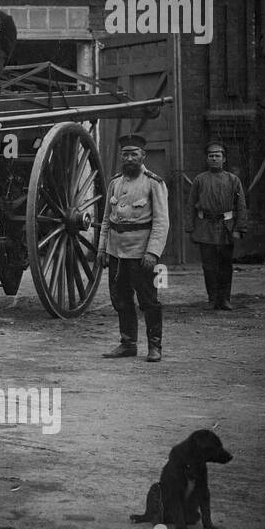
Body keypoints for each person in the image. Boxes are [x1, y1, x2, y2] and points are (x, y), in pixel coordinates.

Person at [98, 133, 170, 363]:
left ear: (143, 156)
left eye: (134, 154)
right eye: (125, 154)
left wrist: (153, 252)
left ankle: (154, 346)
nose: (129, 158)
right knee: (120, 299)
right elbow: (107, 220)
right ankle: (128, 343)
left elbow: (161, 221)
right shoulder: (115, 183)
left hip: (141, 253)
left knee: (149, 300)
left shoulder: (153, 183)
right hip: (116, 251)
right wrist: (102, 249)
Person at [186, 141, 249, 310]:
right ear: (207, 159)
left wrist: (239, 228)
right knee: (208, 265)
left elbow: (241, 205)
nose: (214, 159)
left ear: (224, 159)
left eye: (217, 156)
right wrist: (191, 228)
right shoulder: (200, 179)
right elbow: (191, 204)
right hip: (205, 227)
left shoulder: (233, 180)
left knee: (225, 265)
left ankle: (225, 299)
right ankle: (212, 298)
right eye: (211, 156)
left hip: (226, 228)